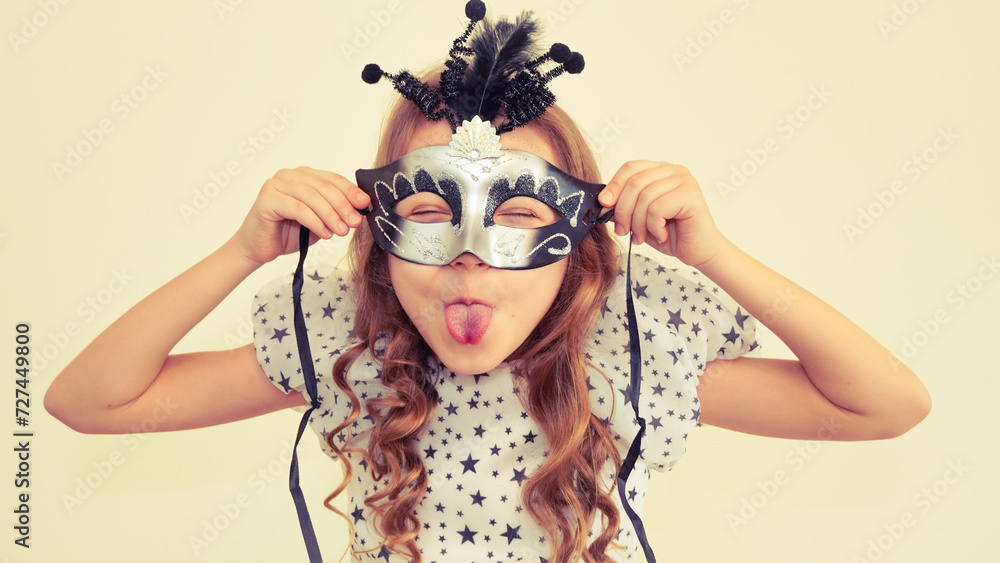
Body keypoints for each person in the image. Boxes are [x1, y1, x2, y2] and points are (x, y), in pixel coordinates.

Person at [44, 3, 930, 562]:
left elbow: (885, 405)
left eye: (516, 216)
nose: (471, 258)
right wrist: (240, 251)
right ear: (375, 234)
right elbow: (90, 401)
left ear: (581, 239)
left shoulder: (627, 354)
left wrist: (717, 255)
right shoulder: (351, 348)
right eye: (428, 212)